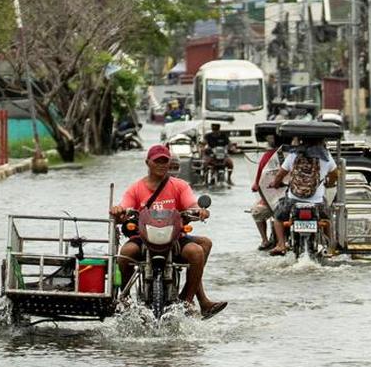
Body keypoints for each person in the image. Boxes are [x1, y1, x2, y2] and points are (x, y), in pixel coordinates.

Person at [109, 144, 227, 319]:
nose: (162, 165)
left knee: (197, 252)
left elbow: (191, 205)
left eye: (165, 161)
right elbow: (125, 206)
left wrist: (199, 211)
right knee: (125, 253)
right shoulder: (136, 188)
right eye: (158, 161)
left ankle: (186, 301)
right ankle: (124, 299)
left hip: (174, 239)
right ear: (148, 162)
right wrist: (120, 210)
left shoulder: (180, 186)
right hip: (144, 239)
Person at [268, 137, 339, 256]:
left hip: (293, 201)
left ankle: (281, 244)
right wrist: (330, 183)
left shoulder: (293, 155)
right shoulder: (326, 157)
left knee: (278, 218)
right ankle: (330, 246)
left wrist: (275, 184)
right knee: (327, 219)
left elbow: (280, 174)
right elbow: (335, 174)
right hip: (317, 203)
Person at [250, 131, 286, 251]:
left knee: (256, 212)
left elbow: (258, 182)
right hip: (294, 196)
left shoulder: (268, 156)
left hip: (275, 198)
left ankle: (265, 240)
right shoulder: (295, 155)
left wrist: (257, 186)